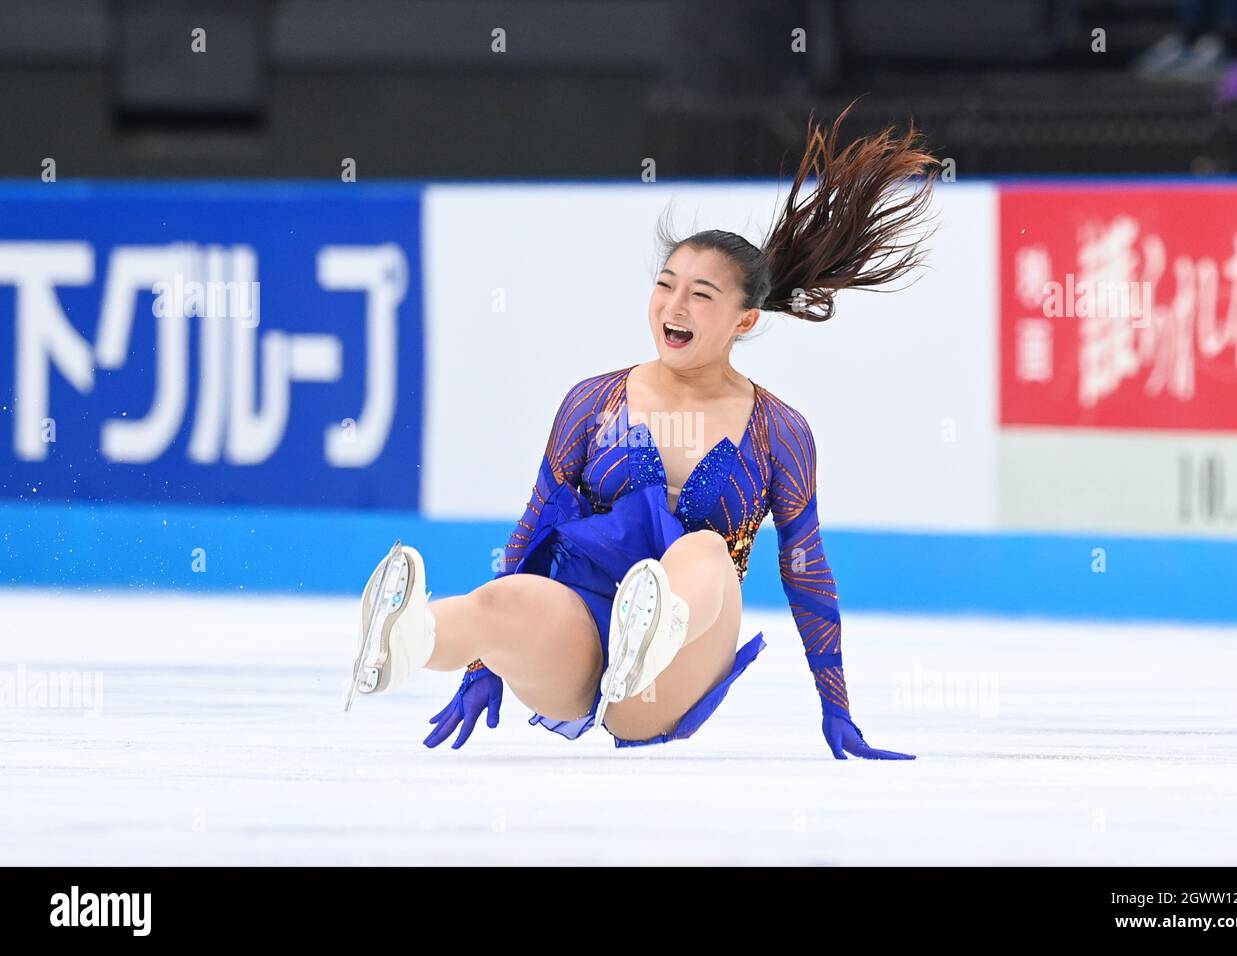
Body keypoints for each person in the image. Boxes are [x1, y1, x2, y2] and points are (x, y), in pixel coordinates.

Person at [351, 98, 937, 759]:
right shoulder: (593, 404)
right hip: (579, 638)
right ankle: (410, 641)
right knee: (505, 598)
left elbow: (806, 569)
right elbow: (532, 526)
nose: (674, 306)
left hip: (671, 676)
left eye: (701, 295)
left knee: (703, 555)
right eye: (666, 285)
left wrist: (837, 706)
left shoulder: (779, 432)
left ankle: (656, 624)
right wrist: (482, 669)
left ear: (744, 322)